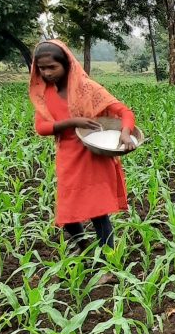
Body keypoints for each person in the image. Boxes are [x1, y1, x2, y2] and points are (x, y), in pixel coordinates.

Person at [29, 40, 137, 250]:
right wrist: (72, 122)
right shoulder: (46, 94)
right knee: (67, 215)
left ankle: (108, 261)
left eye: (52, 67)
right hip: (68, 156)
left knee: (98, 213)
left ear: (67, 64)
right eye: (42, 68)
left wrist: (125, 134)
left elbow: (125, 112)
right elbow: (41, 128)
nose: (47, 73)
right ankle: (85, 247)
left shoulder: (87, 89)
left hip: (93, 155)